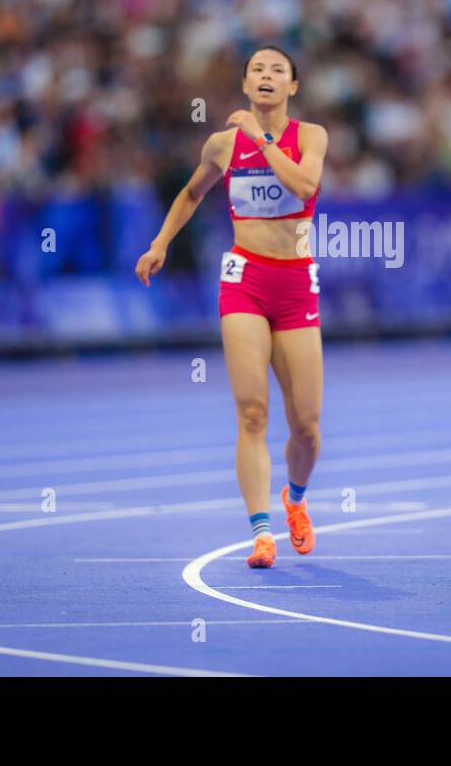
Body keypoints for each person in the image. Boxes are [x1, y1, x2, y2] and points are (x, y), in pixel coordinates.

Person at [137, 47, 328, 568]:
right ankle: (262, 532)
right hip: (244, 280)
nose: (266, 77)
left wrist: (262, 139)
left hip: (296, 284)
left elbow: (304, 184)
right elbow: (191, 193)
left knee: (306, 426)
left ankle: (295, 498)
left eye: (278, 71)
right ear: (245, 85)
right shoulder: (221, 144)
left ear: (293, 86)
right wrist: (160, 242)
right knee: (251, 412)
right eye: (257, 70)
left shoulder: (310, 136)